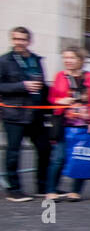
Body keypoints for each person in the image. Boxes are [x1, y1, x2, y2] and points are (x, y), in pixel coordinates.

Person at [46, 45, 90, 201]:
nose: (68, 61)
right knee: (58, 157)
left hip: (84, 125)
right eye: (65, 57)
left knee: (80, 158)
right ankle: (51, 190)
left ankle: (76, 191)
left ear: (81, 60)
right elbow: (51, 98)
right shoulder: (60, 76)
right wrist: (60, 101)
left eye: (72, 57)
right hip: (63, 124)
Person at [0, 26, 52, 202]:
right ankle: (13, 189)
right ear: (12, 40)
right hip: (14, 113)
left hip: (35, 113)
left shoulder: (36, 60)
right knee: (14, 152)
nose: (19, 43)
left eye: (22, 39)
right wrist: (23, 86)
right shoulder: (5, 61)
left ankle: (42, 186)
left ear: (29, 41)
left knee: (45, 148)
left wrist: (51, 106)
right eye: (16, 39)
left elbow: (43, 86)